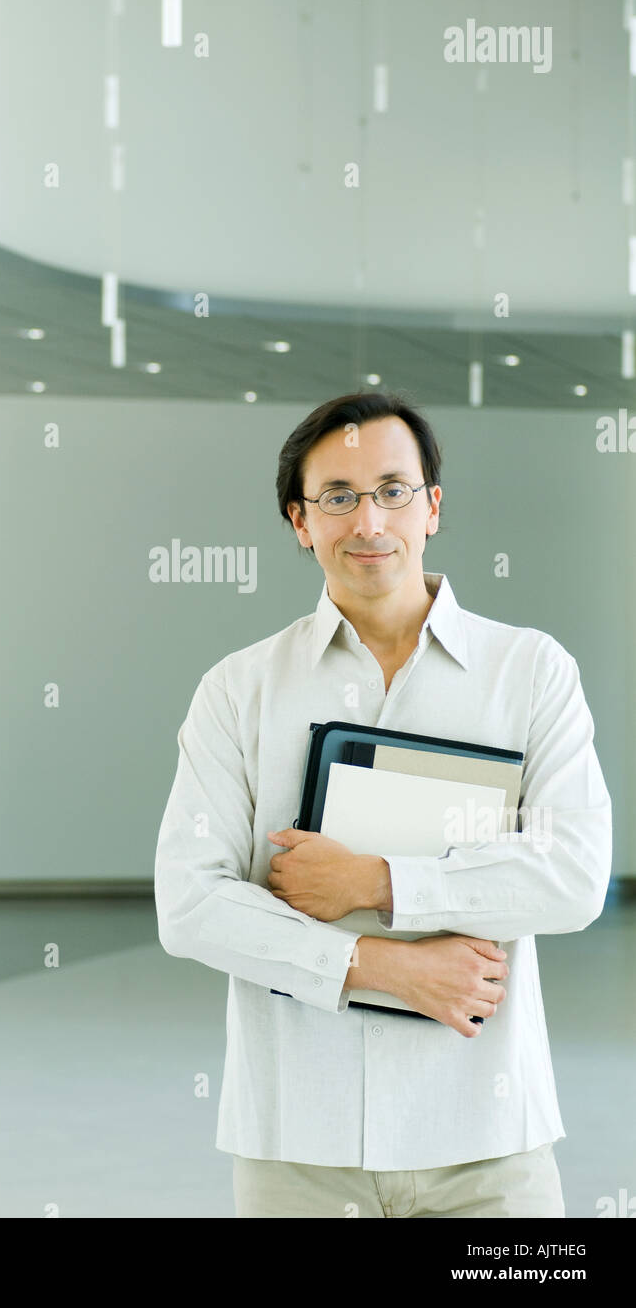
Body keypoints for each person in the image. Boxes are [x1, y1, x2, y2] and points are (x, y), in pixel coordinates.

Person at [154, 391, 612, 1218]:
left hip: (487, 1144)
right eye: (337, 497)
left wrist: (379, 883)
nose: (368, 521)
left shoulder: (530, 672)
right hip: (298, 1147)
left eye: (392, 490)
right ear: (300, 521)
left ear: (431, 506)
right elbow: (189, 903)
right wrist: (378, 965)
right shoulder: (238, 690)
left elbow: (573, 875)